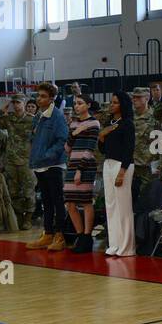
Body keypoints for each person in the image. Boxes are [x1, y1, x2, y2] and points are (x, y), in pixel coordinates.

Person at [27, 83, 70, 251]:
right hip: (39, 165)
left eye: (43, 96)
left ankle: (60, 235)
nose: (39, 99)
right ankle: (48, 233)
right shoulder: (38, 116)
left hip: (53, 164)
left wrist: (47, 156)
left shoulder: (57, 116)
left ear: (51, 99)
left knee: (57, 200)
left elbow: (62, 140)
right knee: (46, 201)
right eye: (38, 96)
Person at [98, 91, 137, 257]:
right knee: (111, 206)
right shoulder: (109, 123)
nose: (111, 105)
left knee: (123, 207)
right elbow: (102, 150)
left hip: (122, 166)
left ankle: (127, 247)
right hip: (108, 164)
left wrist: (122, 172)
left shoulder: (127, 124)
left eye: (115, 102)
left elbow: (129, 150)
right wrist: (101, 136)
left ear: (122, 105)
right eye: (111, 102)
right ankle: (114, 244)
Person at [61, 95, 101, 254]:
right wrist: (74, 133)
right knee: (70, 203)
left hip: (85, 165)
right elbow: (67, 148)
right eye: (75, 104)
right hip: (72, 163)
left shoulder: (94, 123)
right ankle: (79, 235)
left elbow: (90, 149)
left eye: (80, 103)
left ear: (88, 105)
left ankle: (87, 236)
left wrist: (79, 169)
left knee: (85, 201)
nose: (76, 106)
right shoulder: (74, 123)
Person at [2, 94, 36, 229]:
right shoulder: (8, 119)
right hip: (11, 162)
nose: (16, 105)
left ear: (24, 103)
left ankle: (28, 218)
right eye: (14, 102)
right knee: (13, 191)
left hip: (27, 161)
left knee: (28, 191)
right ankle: (19, 217)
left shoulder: (31, 120)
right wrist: (2, 110)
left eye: (18, 102)